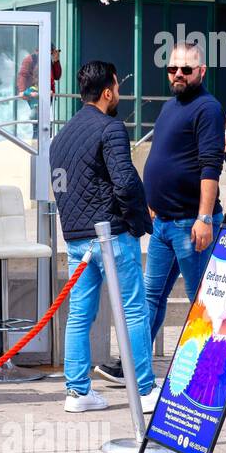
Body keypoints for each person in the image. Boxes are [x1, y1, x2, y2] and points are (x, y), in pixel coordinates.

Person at [96, 40, 223, 387]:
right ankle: (134, 366)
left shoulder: (207, 108)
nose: (178, 74)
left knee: (202, 301)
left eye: (186, 69)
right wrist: (151, 199)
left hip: (189, 224)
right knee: (151, 298)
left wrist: (205, 218)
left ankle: (206, 374)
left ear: (201, 71)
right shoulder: (170, 107)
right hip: (163, 223)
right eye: (172, 68)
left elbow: (211, 166)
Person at [50, 60, 156, 413]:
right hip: (111, 235)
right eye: (118, 88)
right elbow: (125, 181)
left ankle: (78, 392)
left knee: (80, 314)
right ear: (108, 91)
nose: (119, 95)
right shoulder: (110, 128)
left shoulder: (61, 136)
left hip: (77, 238)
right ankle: (144, 389)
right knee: (133, 310)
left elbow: (62, 188)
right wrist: (140, 220)